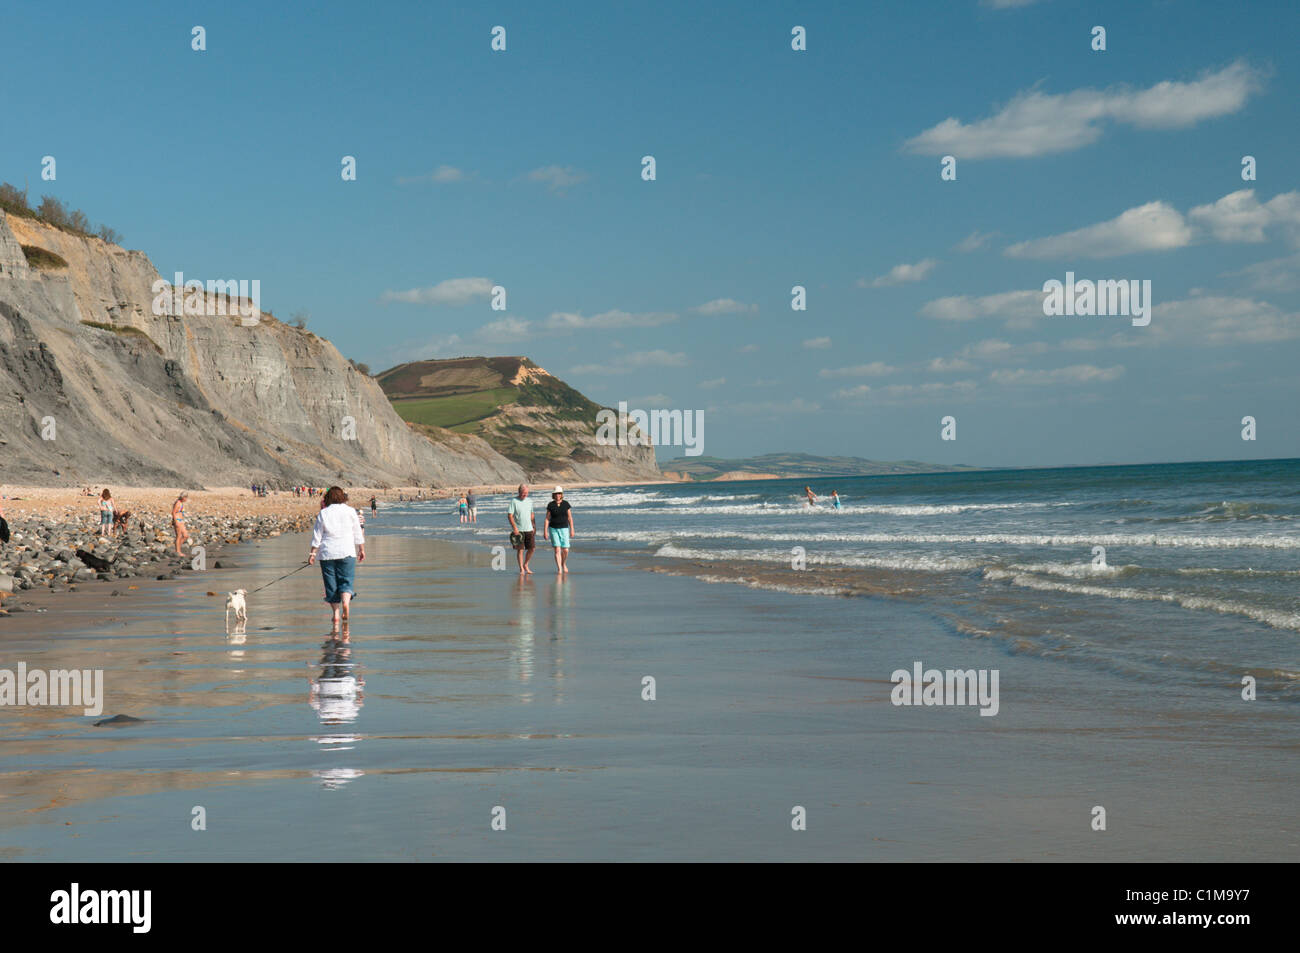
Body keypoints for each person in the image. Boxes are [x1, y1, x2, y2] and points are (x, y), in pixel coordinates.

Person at [308, 486, 366, 631]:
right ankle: (346, 602)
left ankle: (336, 614)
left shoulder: (324, 513)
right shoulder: (350, 511)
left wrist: (312, 554)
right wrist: (361, 549)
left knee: (331, 585)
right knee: (346, 582)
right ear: (342, 497)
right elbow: (357, 532)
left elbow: (317, 536)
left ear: (328, 498)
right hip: (347, 551)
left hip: (327, 553)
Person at [543, 486, 574, 574]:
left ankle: (563, 563)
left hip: (564, 528)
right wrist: (545, 531)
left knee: (565, 550)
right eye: (556, 493)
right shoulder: (550, 505)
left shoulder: (566, 504)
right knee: (557, 549)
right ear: (554, 495)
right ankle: (559, 568)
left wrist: (572, 529)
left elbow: (570, 518)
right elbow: (547, 519)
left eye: (559, 493)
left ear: (561, 494)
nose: (558, 495)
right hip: (553, 529)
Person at [507, 483, 536, 575]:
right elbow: (510, 515)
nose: (525, 495)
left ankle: (526, 564)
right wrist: (514, 527)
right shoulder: (514, 501)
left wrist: (534, 525)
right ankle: (521, 569)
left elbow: (532, 514)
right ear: (519, 492)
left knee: (532, 549)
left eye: (527, 493)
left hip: (529, 529)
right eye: (524, 493)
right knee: (520, 550)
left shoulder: (530, 501)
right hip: (519, 530)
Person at [171, 491, 190, 555]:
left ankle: (178, 547)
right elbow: (173, 512)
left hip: (181, 521)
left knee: (185, 536)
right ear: (183, 497)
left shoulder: (181, 503)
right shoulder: (178, 503)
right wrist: (176, 521)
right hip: (178, 520)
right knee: (179, 536)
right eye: (186, 498)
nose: (186, 499)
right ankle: (178, 551)